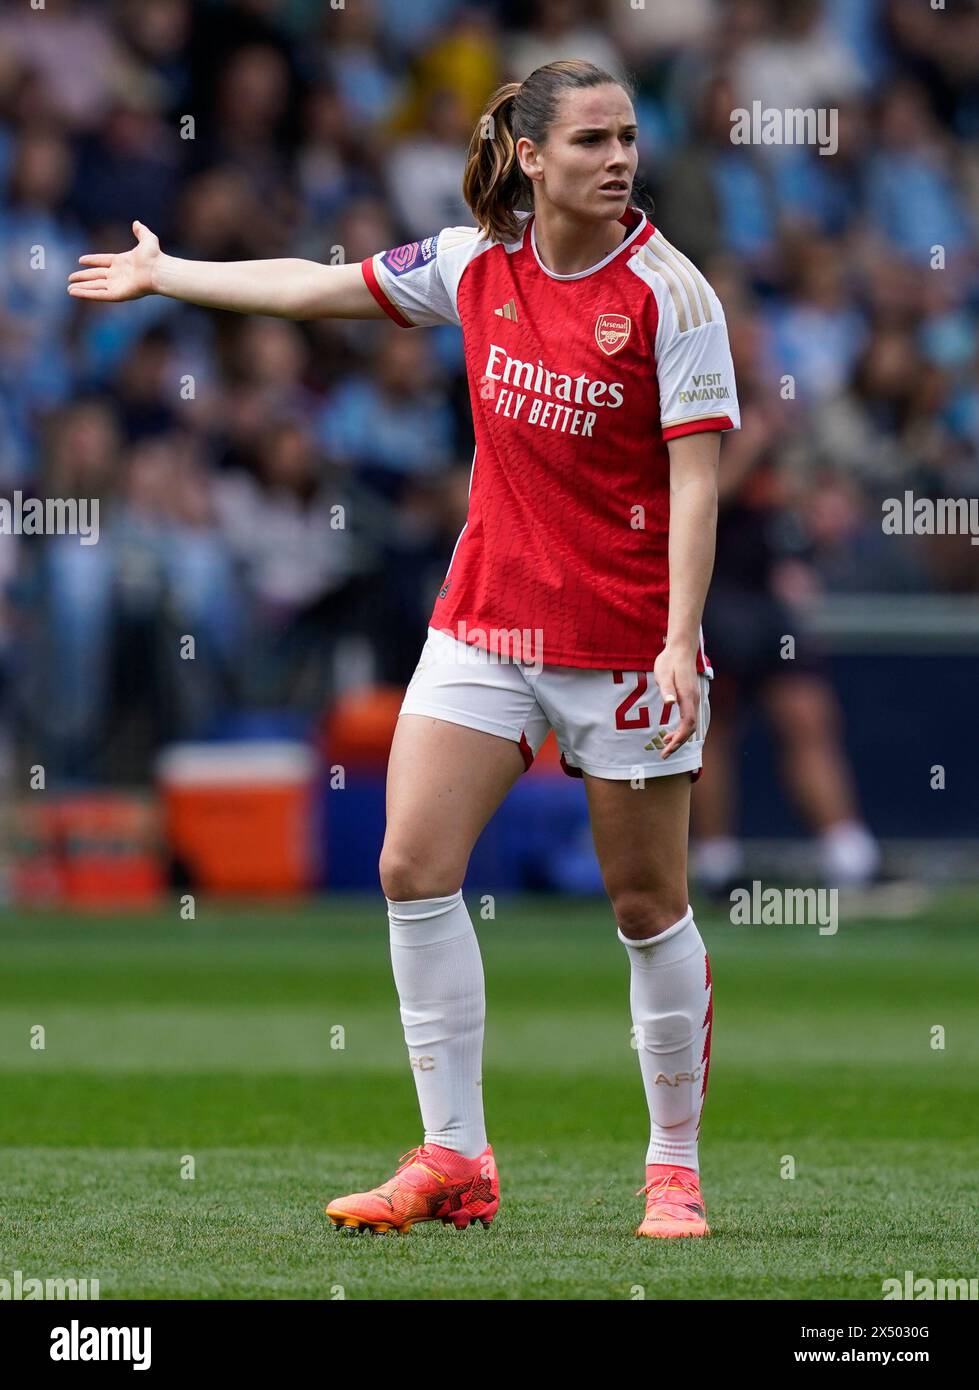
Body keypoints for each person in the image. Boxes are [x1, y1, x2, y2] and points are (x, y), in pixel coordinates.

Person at [67, 59, 740, 1240]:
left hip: (625, 637)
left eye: (627, 136)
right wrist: (169, 271)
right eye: (589, 140)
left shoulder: (671, 297)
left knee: (645, 905)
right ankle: (455, 1157)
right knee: (410, 869)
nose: (618, 158)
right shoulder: (477, 266)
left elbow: (696, 483)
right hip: (486, 617)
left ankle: (672, 1167)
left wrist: (682, 638)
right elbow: (312, 290)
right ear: (530, 157)